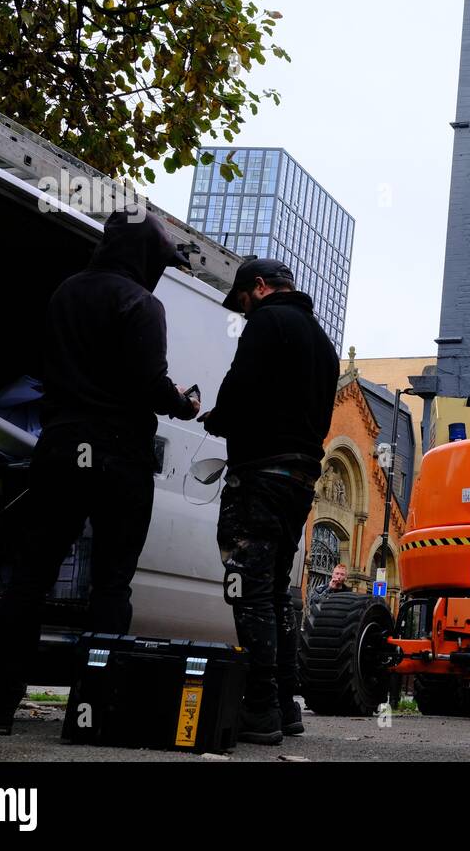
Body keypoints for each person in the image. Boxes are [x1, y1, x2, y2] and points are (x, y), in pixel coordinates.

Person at [0, 211, 200, 734]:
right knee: (111, 584)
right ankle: (95, 709)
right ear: (145, 258)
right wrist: (182, 404)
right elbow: (147, 383)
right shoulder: (142, 304)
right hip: (119, 455)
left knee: (29, 578)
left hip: (61, 445)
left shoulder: (67, 291)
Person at [200, 258, 340, 744]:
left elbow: (240, 390)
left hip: (259, 475)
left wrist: (218, 418)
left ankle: (259, 708)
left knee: (249, 589)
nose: (242, 313)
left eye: (241, 302)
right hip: (299, 479)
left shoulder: (267, 322)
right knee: (277, 591)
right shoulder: (323, 343)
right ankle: (283, 704)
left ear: (258, 288)